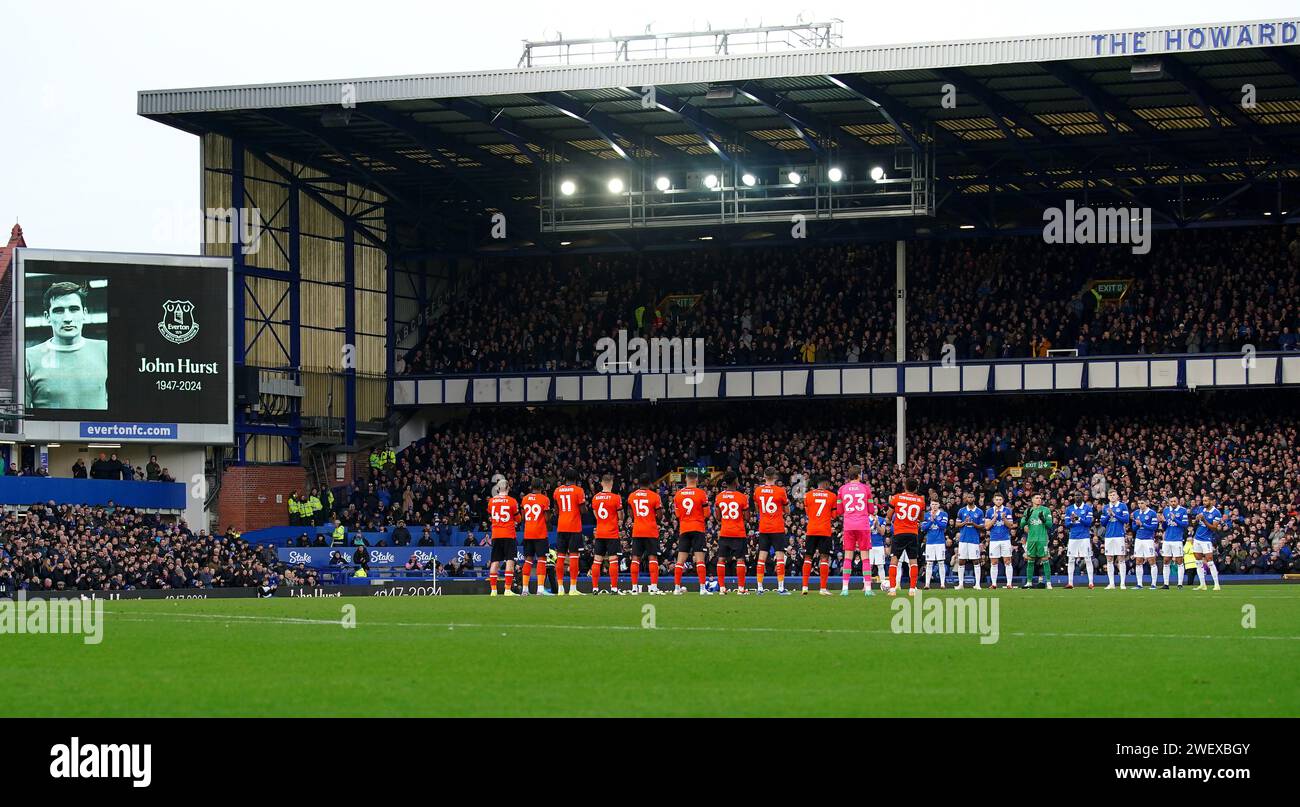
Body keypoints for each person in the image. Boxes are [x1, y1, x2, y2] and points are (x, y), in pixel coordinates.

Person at [24, 281, 108, 410]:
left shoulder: (105, 350)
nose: (67, 318)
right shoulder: (28, 358)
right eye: (59, 311)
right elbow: (22, 417)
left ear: (84, 313)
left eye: (74, 309)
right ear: (47, 316)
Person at [836, 466, 876, 596]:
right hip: (863, 525)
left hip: (848, 526)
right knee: (865, 558)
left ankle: (845, 588)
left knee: (848, 557)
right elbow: (871, 510)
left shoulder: (842, 489)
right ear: (859, 475)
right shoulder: (866, 488)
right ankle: (868, 589)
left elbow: (839, 511)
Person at [752, 467, 791, 595]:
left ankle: (759, 588)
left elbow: (757, 508)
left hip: (764, 527)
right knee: (780, 557)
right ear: (775, 477)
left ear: (764, 476)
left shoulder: (758, 490)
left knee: (761, 557)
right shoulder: (780, 491)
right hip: (777, 527)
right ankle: (780, 588)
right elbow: (787, 511)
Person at [672, 471, 711, 595]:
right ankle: (702, 588)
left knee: (680, 561)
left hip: (684, 529)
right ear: (697, 479)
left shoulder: (678, 494)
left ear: (686, 479)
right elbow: (707, 513)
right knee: (700, 560)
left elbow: (677, 514)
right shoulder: (701, 493)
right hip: (698, 528)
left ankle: (676, 588)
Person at [887, 478, 926, 596]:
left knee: (894, 559)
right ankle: (912, 589)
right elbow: (922, 518)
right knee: (913, 560)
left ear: (905, 486)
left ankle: (892, 589)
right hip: (913, 533)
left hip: (899, 532)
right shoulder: (920, 500)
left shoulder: (897, 498)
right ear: (916, 488)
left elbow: (889, 516)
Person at [713, 472, 749, 595]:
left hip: (724, 532)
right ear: (735, 481)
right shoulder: (742, 497)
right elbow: (747, 517)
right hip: (738, 532)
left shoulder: (719, 497)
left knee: (721, 559)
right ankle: (740, 589)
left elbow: (717, 517)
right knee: (740, 560)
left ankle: (722, 588)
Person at [626, 477, 664, 594]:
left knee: (635, 558)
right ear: (649, 483)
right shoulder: (654, 496)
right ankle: (653, 587)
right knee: (652, 558)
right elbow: (660, 515)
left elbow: (630, 513)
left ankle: (634, 587)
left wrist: (638, 519)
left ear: (638, 483)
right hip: (651, 530)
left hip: (637, 530)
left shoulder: (632, 496)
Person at [801, 478, 837, 595]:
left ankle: (805, 587)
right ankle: (822, 589)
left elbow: (807, 513)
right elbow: (834, 515)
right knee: (824, 558)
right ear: (825, 484)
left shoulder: (807, 496)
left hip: (811, 530)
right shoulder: (832, 496)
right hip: (825, 530)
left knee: (808, 557)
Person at [552, 470, 586, 596]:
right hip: (574, 527)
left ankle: (560, 588)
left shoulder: (557, 491)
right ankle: (572, 588)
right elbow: (583, 510)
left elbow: (556, 510)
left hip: (561, 527)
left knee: (560, 557)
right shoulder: (579, 490)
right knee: (573, 557)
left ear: (564, 478)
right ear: (576, 479)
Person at [589, 474, 623, 595]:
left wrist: (602, 522)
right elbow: (620, 516)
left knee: (597, 560)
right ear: (612, 483)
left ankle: (594, 588)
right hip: (612, 533)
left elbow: (595, 514)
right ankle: (614, 588)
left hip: (600, 532)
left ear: (602, 483)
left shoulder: (595, 498)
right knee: (613, 560)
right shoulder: (616, 498)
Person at [486, 479, 520, 597]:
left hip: (496, 534)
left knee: (495, 562)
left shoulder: (491, 501)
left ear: (498, 489)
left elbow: (491, 515)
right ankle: (507, 590)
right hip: (508, 534)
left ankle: (493, 590)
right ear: (508, 488)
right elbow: (518, 519)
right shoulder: (512, 501)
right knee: (510, 561)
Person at [519, 481, 552, 596]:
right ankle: (540, 589)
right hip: (540, 534)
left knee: (528, 560)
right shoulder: (544, 499)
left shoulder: (525, 499)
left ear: (531, 487)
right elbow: (547, 519)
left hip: (528, 533)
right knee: (541, 560)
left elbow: (522, 517)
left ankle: (524, 589)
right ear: (541, 487)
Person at [1190, 493, 1226, 591]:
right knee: (1198, 562)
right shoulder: (1201, 509)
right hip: (1197, 538)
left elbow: (1214, 528)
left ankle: (1217, 584)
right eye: (1203, 500)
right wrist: (1197, 520)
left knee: (1210, 561)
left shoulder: (1216, 512)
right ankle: (1202, 584)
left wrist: (1204, 519)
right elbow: (1196, 523)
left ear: (1211, 501)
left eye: (1206, 500)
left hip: (1206, 540)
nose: (1204, 502)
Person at [1020, 494, 1053, 589]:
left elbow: (1050, 525)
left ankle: (1048, 582)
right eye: (1037, 498)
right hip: (1031, 539)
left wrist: (1043, 520)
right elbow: (1021, 525)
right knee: (1030, 560)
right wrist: (1026, 518)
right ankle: (1029, 582)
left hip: (1042, 539)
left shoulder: (1046, 510)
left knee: (1045, 560)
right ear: (1032, 500)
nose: (1039, 499)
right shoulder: (1028, 510)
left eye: (1040, 498)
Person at [1063, 491, 1096, 589]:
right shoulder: (1069, 509)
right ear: (1073, 497)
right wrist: (1072, 521)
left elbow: (1089, 523)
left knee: (1087, 558)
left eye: (1079, 495)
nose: (1077, 497)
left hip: (1084, 537)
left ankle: (1091, 583)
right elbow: (1066, 524)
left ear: (1083, 497)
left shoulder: (1087, 508)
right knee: (1071, 559)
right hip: (1073, 537)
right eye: (1076, 496)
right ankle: (1070, 583)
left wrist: (1079, 518)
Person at [1100, 489, 1130, 589]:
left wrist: (1115, 514)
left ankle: (1122, 583)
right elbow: (1103, 523)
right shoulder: (1106, 507)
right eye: (1110, 495)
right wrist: (1109, 515)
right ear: (1108, 497)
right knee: (1109, 558)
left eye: (1114, 495)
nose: (1112, 497)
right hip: (1109, 536)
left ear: (1117, 496)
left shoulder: (1122, 506)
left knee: (1121, 558)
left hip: (1119, 535)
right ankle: (1111, 583)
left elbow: (1126, 520)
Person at [984, 493, 1015, 589]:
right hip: (994, 540)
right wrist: (995, 517)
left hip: (1005, 539)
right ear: (993, 500)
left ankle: (1009, 584)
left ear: (1003, 500)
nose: (998, 501)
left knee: (1007, 561)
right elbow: (987, 526)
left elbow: (1010, 525)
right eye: (996, 499)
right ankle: (994, 584)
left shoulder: (1007, 510)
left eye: (1000, 499)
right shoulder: (989, 511)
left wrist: (1003, 518)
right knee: (993, 562)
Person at [954, 493, 984, 590]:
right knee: (961, 561)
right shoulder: (961, 511)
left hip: (974, 540)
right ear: (966, 499)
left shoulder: (979, 511)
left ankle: (978, 584)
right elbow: (957, 524)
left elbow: (982, 526)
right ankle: (961, 584)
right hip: (963, 539)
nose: (970, 499)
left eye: (971, 497)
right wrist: (965, 522)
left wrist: (973, 523)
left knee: (976, 561)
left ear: (974, 498)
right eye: (968, 497)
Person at [1160, 495, 1189, 590]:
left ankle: (1180, 584)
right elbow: (1165, 527)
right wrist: (1163, 522)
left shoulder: (1183, 510)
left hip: (1177, 539)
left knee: (1179, 561)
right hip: (1167, 539)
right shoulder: (1166, 510)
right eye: (1171, 501)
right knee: (1166, 561)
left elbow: (1185, 524)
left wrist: (1175, 519)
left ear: (1178, 501)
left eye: (1174, 501)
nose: (1173, 503)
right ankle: (1166, 584)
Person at [1131, 497, 1159, 589]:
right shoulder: (1135, 513)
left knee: (1151, 560)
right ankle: (1139, 584)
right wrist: (1136, 524)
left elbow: (1154, 527)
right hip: (1138, 539)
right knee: (1138, 561)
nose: (1140, 505)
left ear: (1146, 503)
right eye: (1139, 503)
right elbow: (1133, 528)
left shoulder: (1152, 513)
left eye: (1142, 503)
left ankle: (1153, 584)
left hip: (1148, 539)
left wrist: (1142, 524)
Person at [921, 499, 949, 589]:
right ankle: (927, 584)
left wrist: (935, 519)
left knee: (941, 562)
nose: (934, 506)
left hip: (940, 542)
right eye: (932, 504)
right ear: (930, 505)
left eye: (936, 504)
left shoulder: (944, 514)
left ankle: (942, 584)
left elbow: (943, 526)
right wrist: (931, 521)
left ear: (939, 505)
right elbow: (924, 527)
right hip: (930, 542)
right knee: (929, 563)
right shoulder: (926, 515)